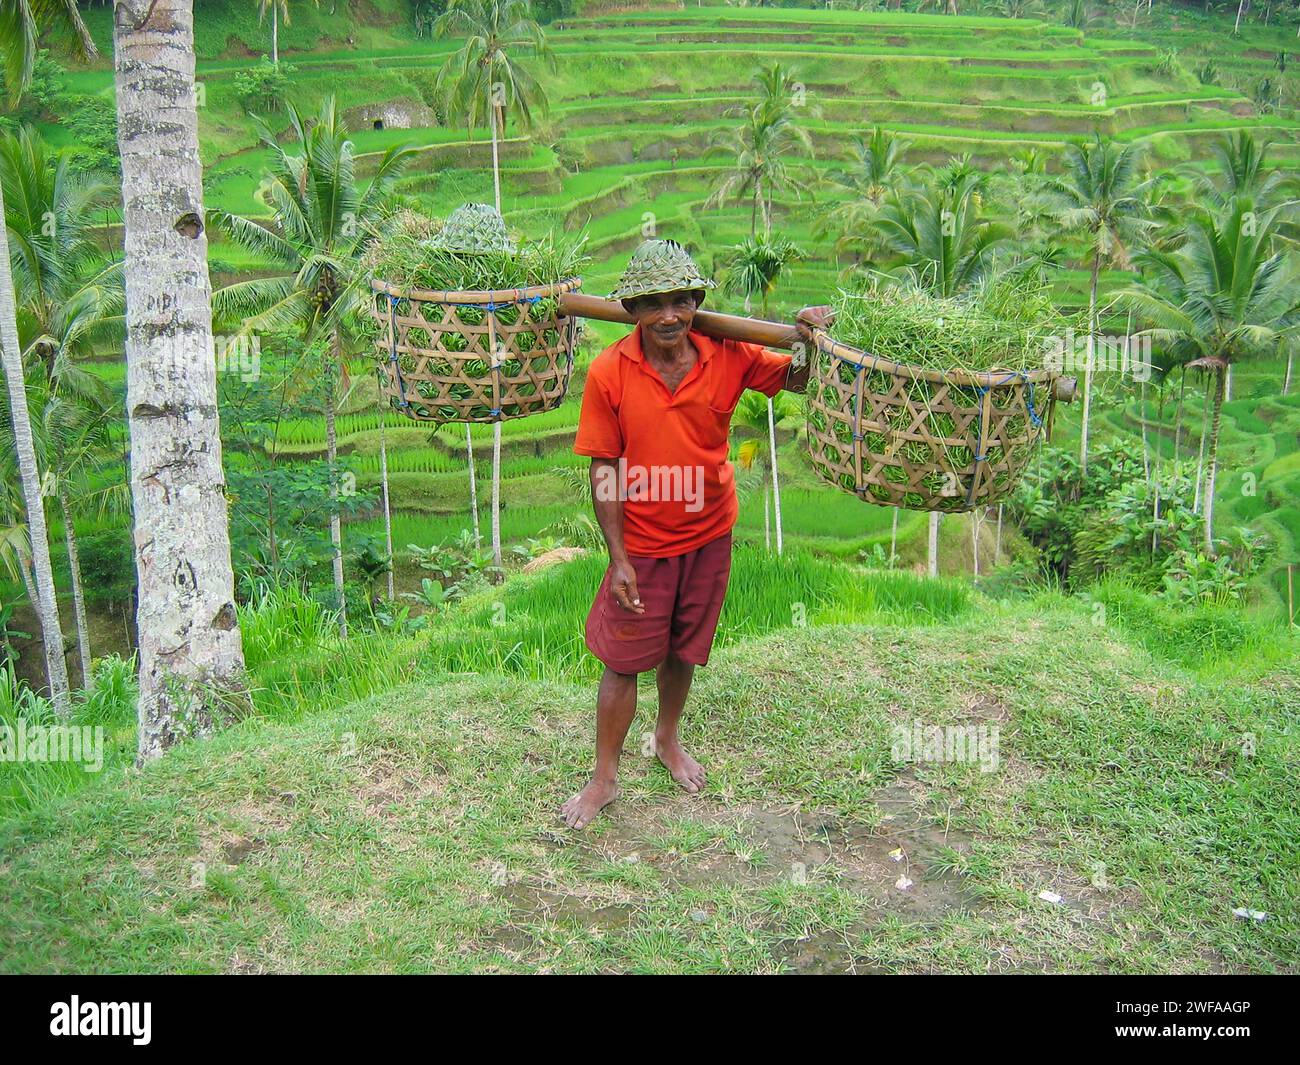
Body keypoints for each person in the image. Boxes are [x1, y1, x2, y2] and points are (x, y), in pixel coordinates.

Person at [561, 237, 831, 829]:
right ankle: (604, 776)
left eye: (682, 300)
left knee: (684, 649)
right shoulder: (610, 372)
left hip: (710, 532)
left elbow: (799, 382)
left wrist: (810, 338)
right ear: (631, 310)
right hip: (645, 544)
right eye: (653, 303)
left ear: (697, 301)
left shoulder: (728, 353)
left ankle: (667, 738)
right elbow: (603, 467)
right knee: (624, 661)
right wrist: (620, 556)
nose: (669, 316)